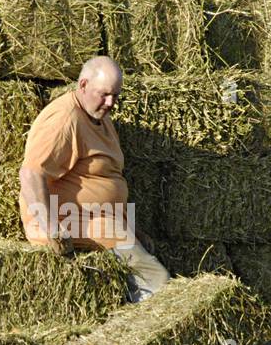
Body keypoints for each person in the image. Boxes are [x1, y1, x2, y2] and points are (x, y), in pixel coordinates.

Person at [19, 55, 169, 301]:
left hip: (103, 223)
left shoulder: (98, 116)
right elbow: (31, 173)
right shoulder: (65, 119)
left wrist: (133, 229)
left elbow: (105, 180)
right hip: (72, 221)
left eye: (116, 96)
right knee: (158, 280)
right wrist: (51, 229)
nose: (111, 102)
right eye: (105, 94)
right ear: (83, 85)